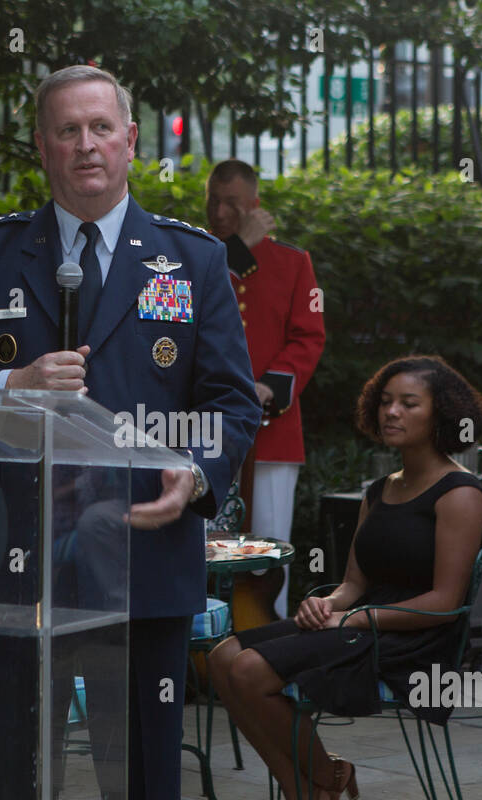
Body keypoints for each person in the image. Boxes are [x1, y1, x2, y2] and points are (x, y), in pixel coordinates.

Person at [0, 64, 261, 800]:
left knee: (138, 789)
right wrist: (11, 384)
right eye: (68, 131)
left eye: (102, 128)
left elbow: (234, 403)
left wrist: (195, 473)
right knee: (2, 783)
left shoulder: (192, 260)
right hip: (9, 565)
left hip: (138, 553)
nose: (86, 145)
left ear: (131, 140)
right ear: (43, 147)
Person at [209, 355, 482, 800]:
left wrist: (352, 616)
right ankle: (319, 784)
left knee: (250, 670)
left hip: (413, 638)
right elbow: (354, 582)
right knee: (221, 657)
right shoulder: (379, 491)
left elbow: (445, 604)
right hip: (360, 621)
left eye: (409, 403)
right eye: (385, 402)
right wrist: (326, 604)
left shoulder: (461, 494)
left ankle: (321, 785)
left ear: (441, 414)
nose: (392, 413)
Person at [205, 159, 326, 617]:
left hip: (272, 429)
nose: (218, 212)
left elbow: (308, 336)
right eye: (213, 201)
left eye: (231, 203)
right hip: (204, 424)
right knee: (204, 543)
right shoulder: (193, 254)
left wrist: (269, 389)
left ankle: (265, 642)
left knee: (268, 547)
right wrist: (239, 248)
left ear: (255, 204)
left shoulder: (293, 262)